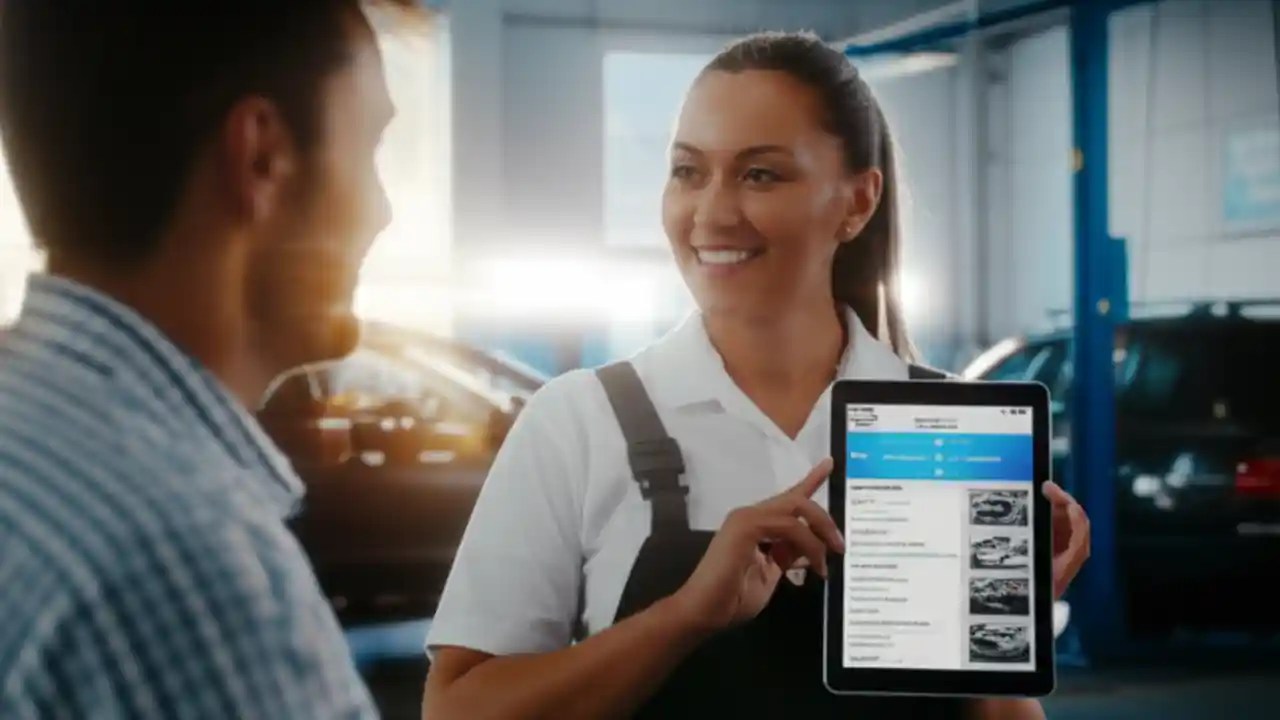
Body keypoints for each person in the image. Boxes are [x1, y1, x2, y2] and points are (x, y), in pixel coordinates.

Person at [422, 32, 1090, 719]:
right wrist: (685, 616)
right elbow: (457, 709)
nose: (711, 213)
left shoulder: (952, 433)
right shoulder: (577, 422)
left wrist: (1003, 622)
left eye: (760, 174)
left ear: (858, 202)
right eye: (688, 171)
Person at [0, 2, 395, 717]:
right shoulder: (187, 566)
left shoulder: (27, 434)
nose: (382, 211)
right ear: (261, 159)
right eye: (368, 152)